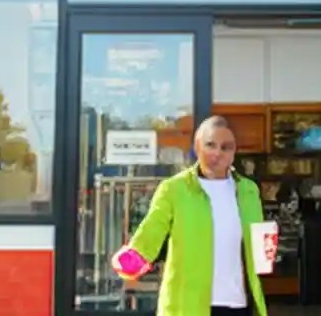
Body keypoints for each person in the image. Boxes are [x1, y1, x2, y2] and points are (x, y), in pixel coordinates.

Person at [112, 115, 270, 316]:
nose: (217, 153)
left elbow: (255, 240)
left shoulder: (248, 191)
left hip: (237, 303)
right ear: (197, 147)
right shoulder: (174, 189)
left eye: (226, 147)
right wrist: (136, 256)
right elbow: (153, 228)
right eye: (210, 145)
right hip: (187, 304)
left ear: (234, 151)